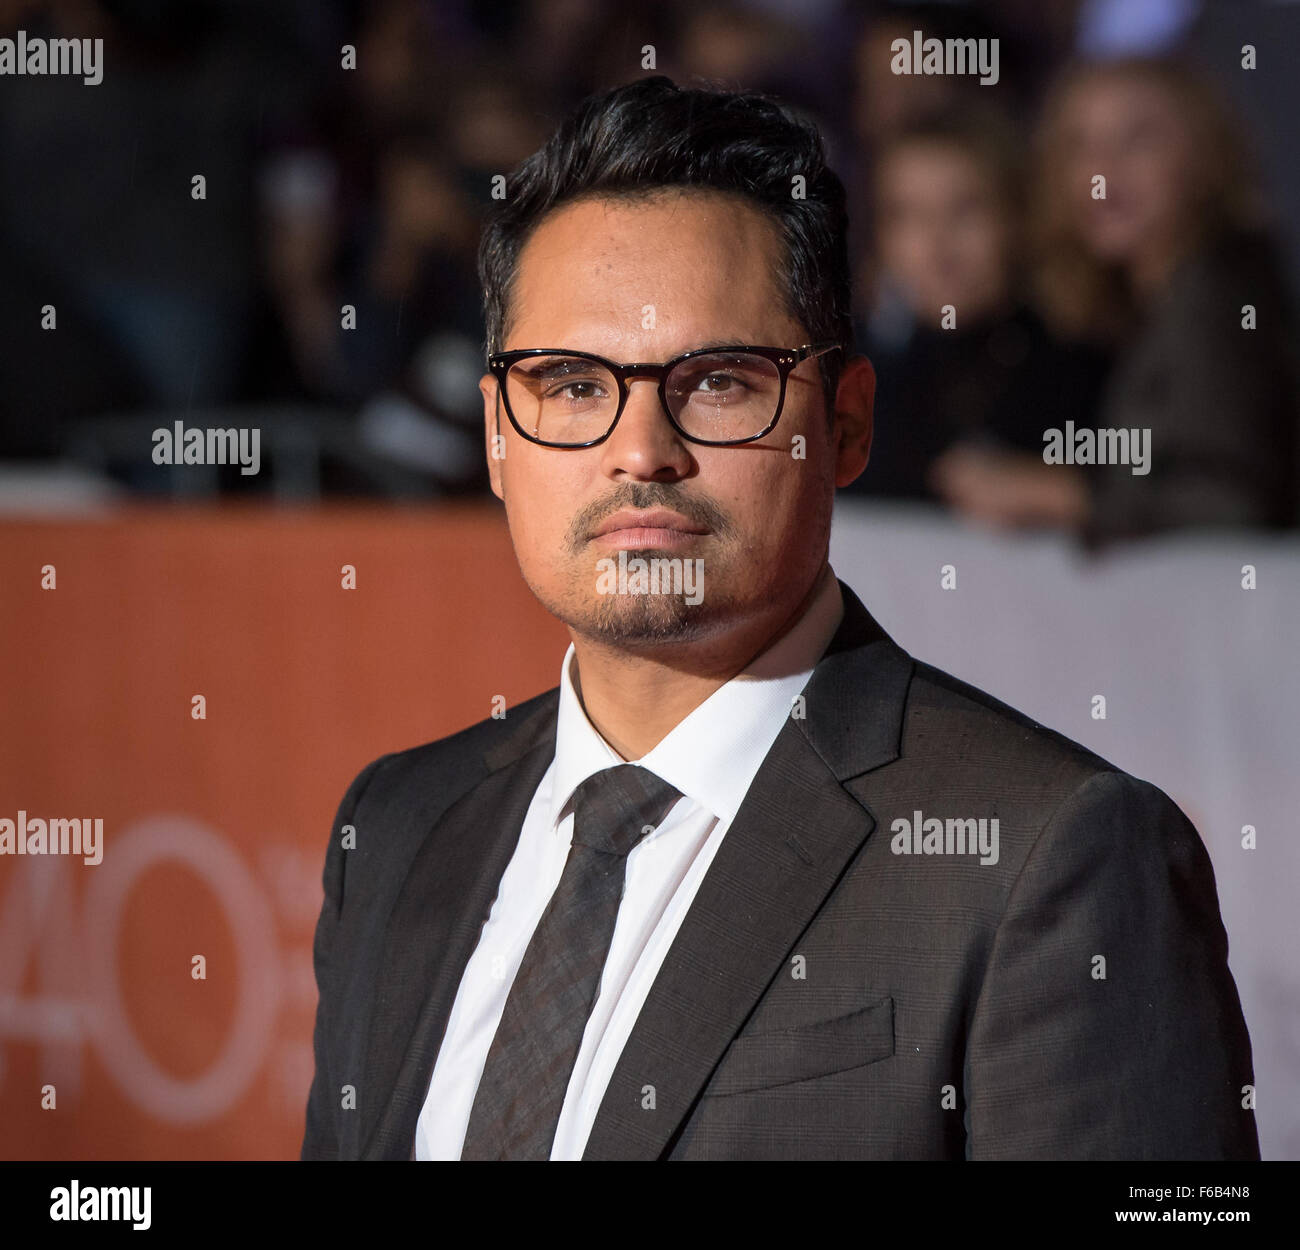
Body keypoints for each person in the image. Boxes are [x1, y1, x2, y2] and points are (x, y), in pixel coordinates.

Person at [301, 76, 1258, 1161]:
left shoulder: (1053, 857)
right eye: (569, 384)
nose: (639, 449)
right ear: (495, 436)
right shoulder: (394, 824)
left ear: (845, 424)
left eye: (716, 381)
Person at [931, 56, 1299, 542]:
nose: (1103, 172)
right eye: (1079, 146)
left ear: (1203, 156)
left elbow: (1231, 502)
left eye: (1139, 139)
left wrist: (1061, 494)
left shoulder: (1219, 295)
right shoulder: (1147, 300)